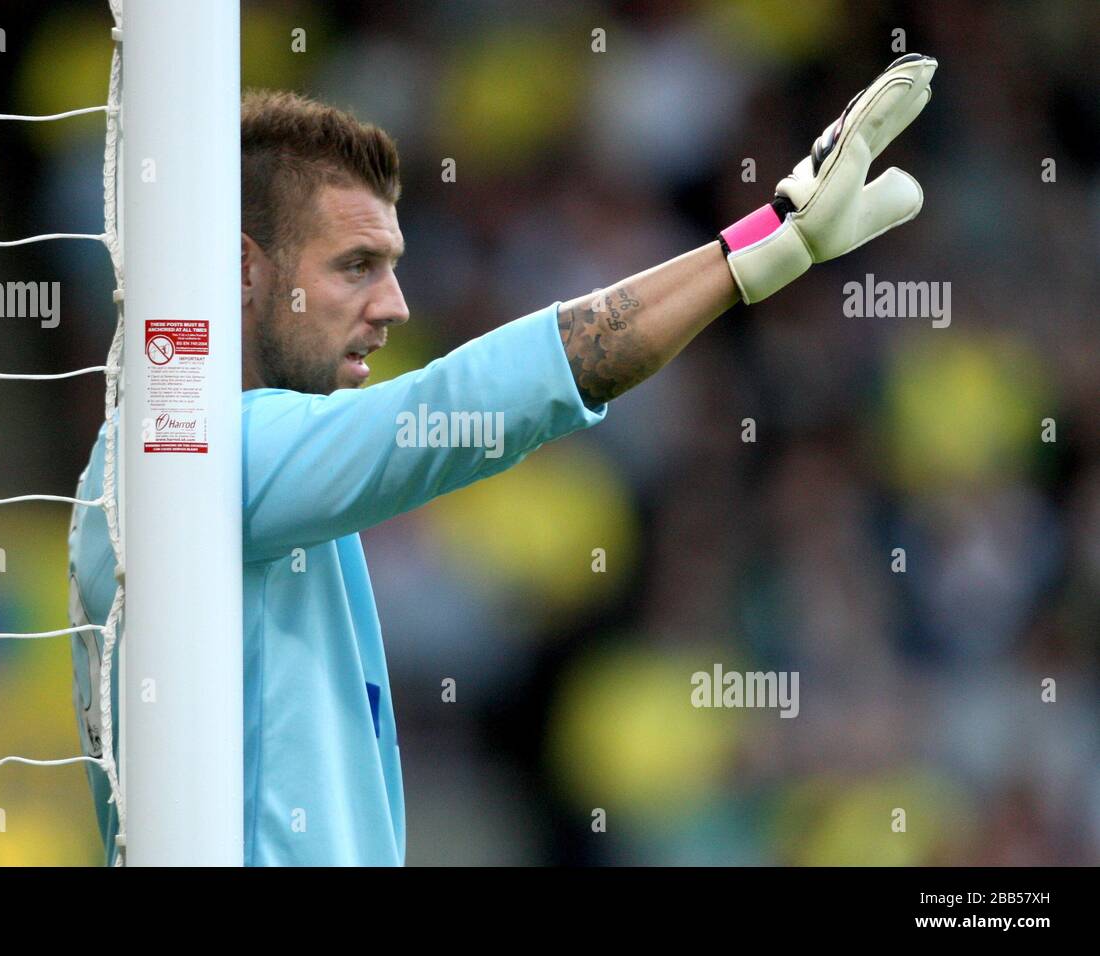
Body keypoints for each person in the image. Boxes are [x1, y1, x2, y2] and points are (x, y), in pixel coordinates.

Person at [67, 54, 937, 865]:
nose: (395, 306)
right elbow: (467, 404)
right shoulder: (184, 459)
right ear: (245, 271)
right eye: (356, 266)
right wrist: (756, 247)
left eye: (394, 265)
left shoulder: (235, 464)